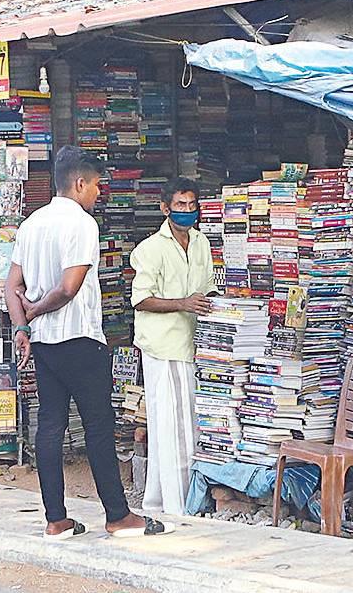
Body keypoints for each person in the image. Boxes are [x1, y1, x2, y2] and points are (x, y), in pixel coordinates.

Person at [5, 146, 171, 539]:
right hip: (80, 339)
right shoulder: (81, 224)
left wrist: (22, 327)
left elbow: (11, 287)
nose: (99, 194)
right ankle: (118, 515)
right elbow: (69, 287)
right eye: (97, 185)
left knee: (50, 426)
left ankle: (56, 519)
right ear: (79, 183)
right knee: (98, 427)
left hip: (44, 346)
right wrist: (35, 313)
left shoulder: (31, 224)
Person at [129, 178, 217, 515]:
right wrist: (183, 303)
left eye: (191, 205)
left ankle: (160, 498)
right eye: (179, 205)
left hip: (191, 345)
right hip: (162, 347)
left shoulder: (201, 243)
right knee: (170, 427)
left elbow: (207, 290)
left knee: (186, 424)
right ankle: (178, 504)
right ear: (165, 209)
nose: (186, 211)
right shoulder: (150, 249)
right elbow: (141, 299)